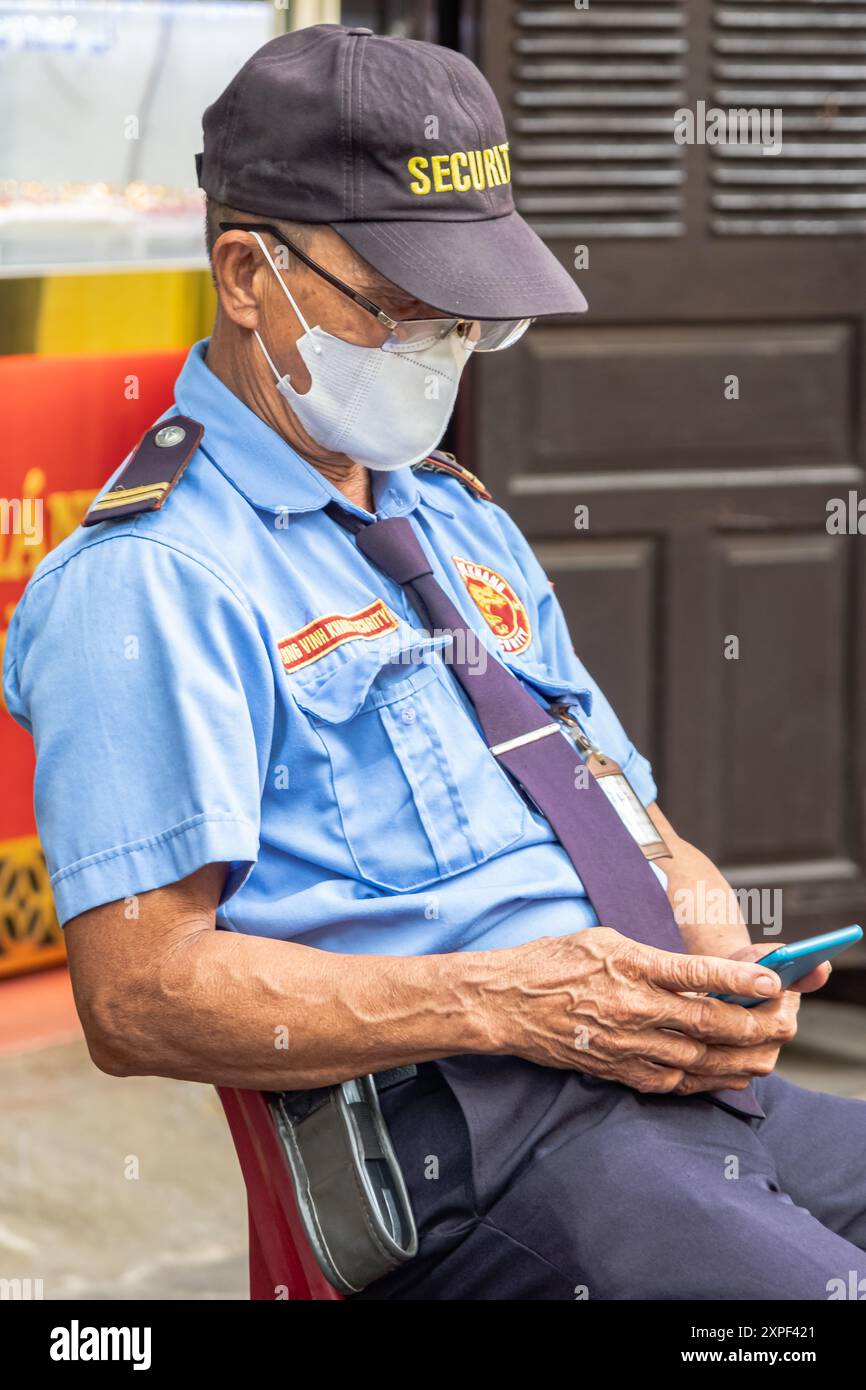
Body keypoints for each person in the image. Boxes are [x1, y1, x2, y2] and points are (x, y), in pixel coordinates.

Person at [4, 24, 865, 1301]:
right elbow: (140, 998)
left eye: (470, 314)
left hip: (673, 1092)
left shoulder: (457, 521)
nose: (445, 344)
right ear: (248, 274)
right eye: (405, 307)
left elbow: (622, 804)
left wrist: (703, 949)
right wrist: (520, 1003)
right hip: (472, 1159)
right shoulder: (152, 583)